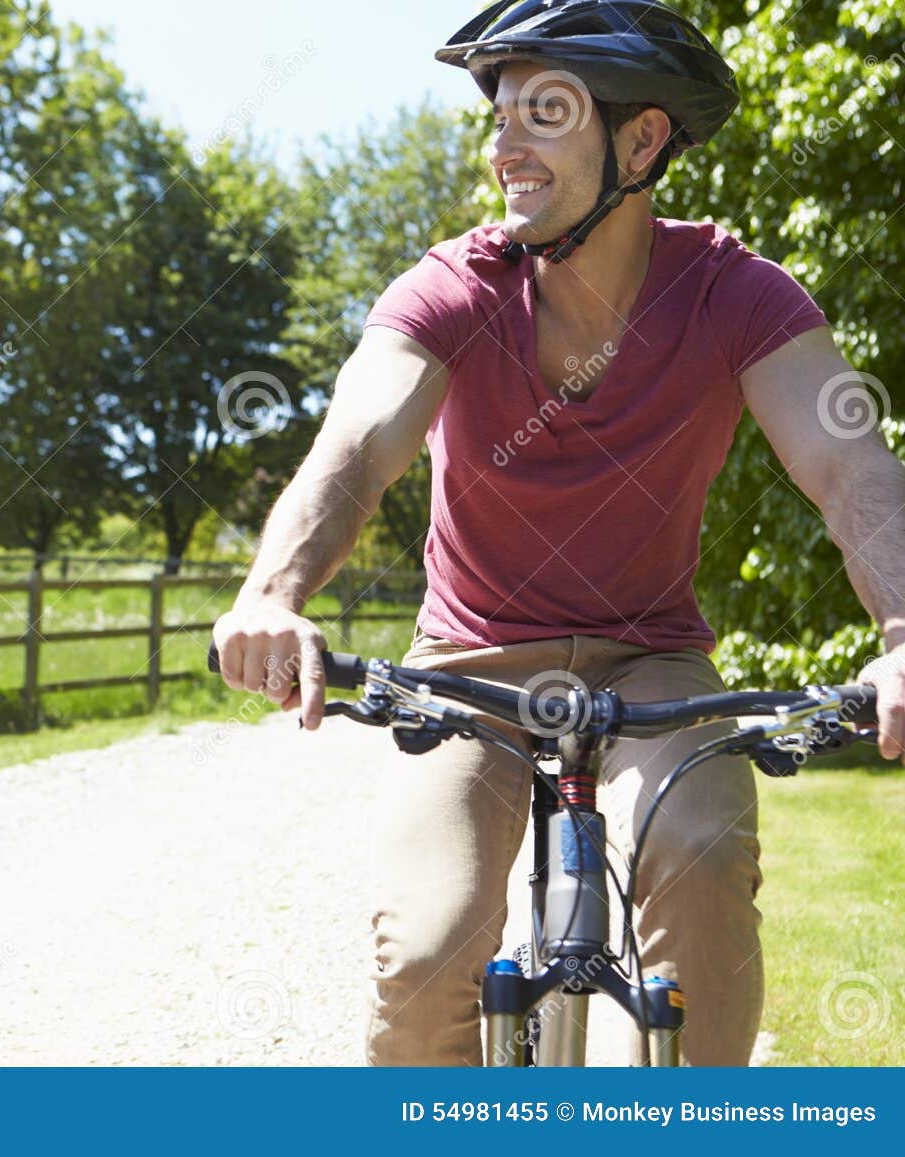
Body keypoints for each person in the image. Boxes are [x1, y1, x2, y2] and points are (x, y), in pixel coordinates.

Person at [212, 0, 905, 1065]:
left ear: (640, 139)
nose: (503, 144)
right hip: (467, 660)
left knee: (705, 854)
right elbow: (352, 453)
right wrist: (272, 592)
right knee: (430, 945)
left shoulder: (735, 293)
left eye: (544, 111)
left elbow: (850, 465)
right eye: (497, 113)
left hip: (652, 658)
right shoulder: (451, 289)